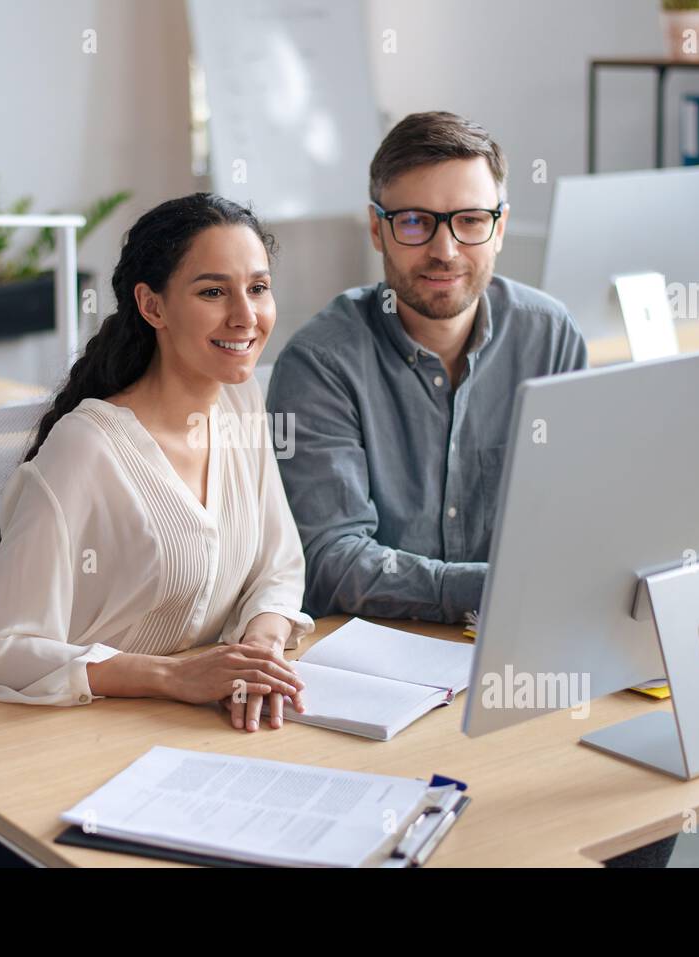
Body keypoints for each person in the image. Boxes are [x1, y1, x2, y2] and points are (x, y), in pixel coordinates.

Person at [268, 111, 675, 868]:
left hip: (517, 666)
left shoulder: (549, 335)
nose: (445, 249)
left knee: (638, 807)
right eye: (417, 222)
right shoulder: (321, 360)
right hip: (375, 681)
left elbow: (579, 522)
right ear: (378, 228)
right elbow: (333, 561)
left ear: (500, 224)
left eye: (469, 220)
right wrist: (502, 586)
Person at [0, 192, 312, 735]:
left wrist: (258, 651)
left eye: (258, 288)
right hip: (73, 738)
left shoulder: (240, 400)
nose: (246, 316)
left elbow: (278, 564)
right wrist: (171, 676)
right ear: (152, 306)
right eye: (214, 291)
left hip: (197, 729)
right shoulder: (86, 448)